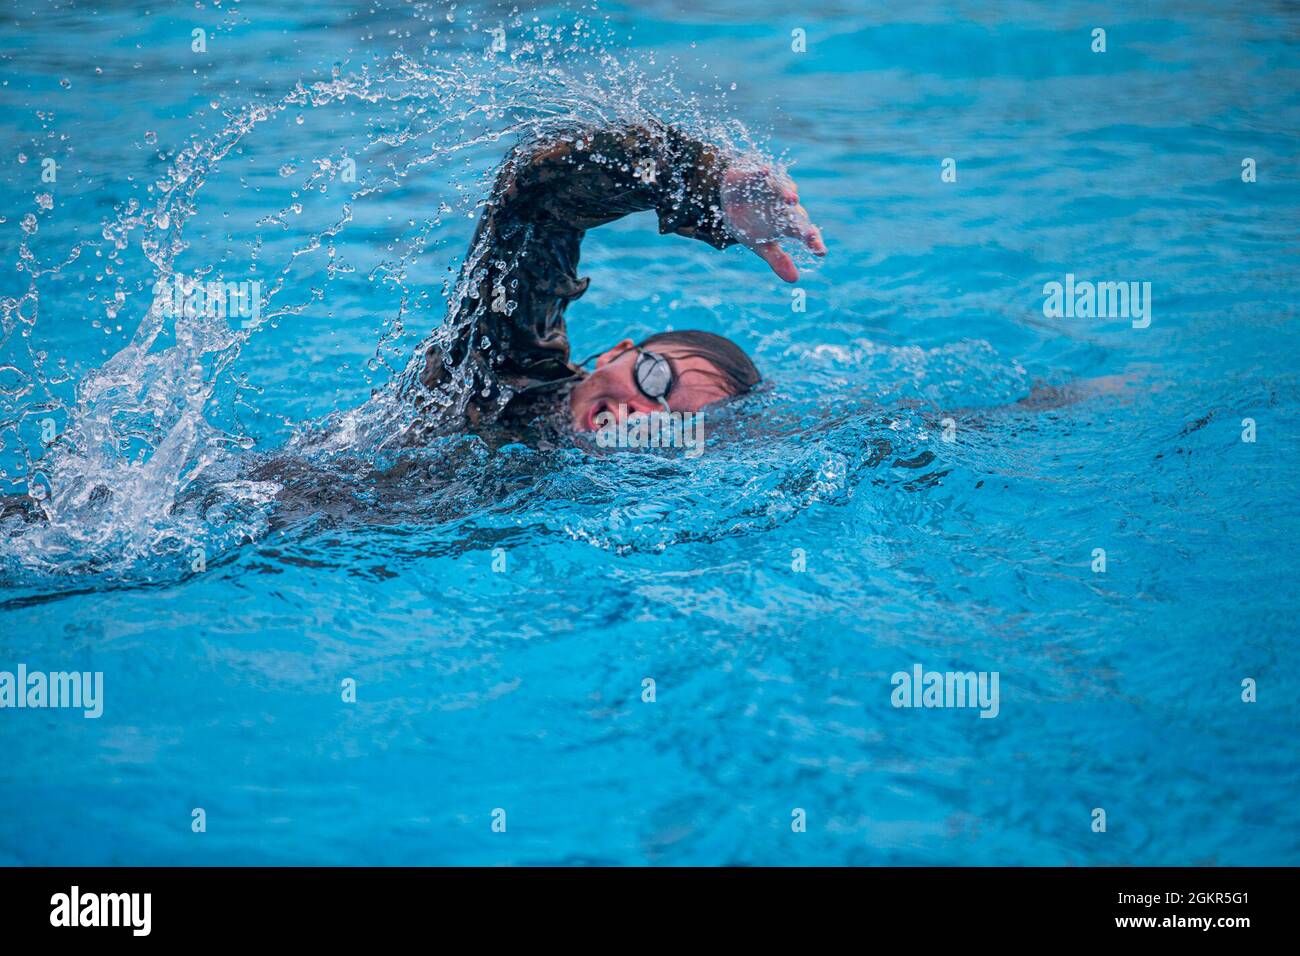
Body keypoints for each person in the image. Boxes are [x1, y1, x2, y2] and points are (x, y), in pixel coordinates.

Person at [397, 119, 827, 440]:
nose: (640, 413)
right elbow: (535, 195)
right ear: (616, 353)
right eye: (655, 380)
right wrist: (703, 186)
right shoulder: (499, 374)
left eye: (672, 424)